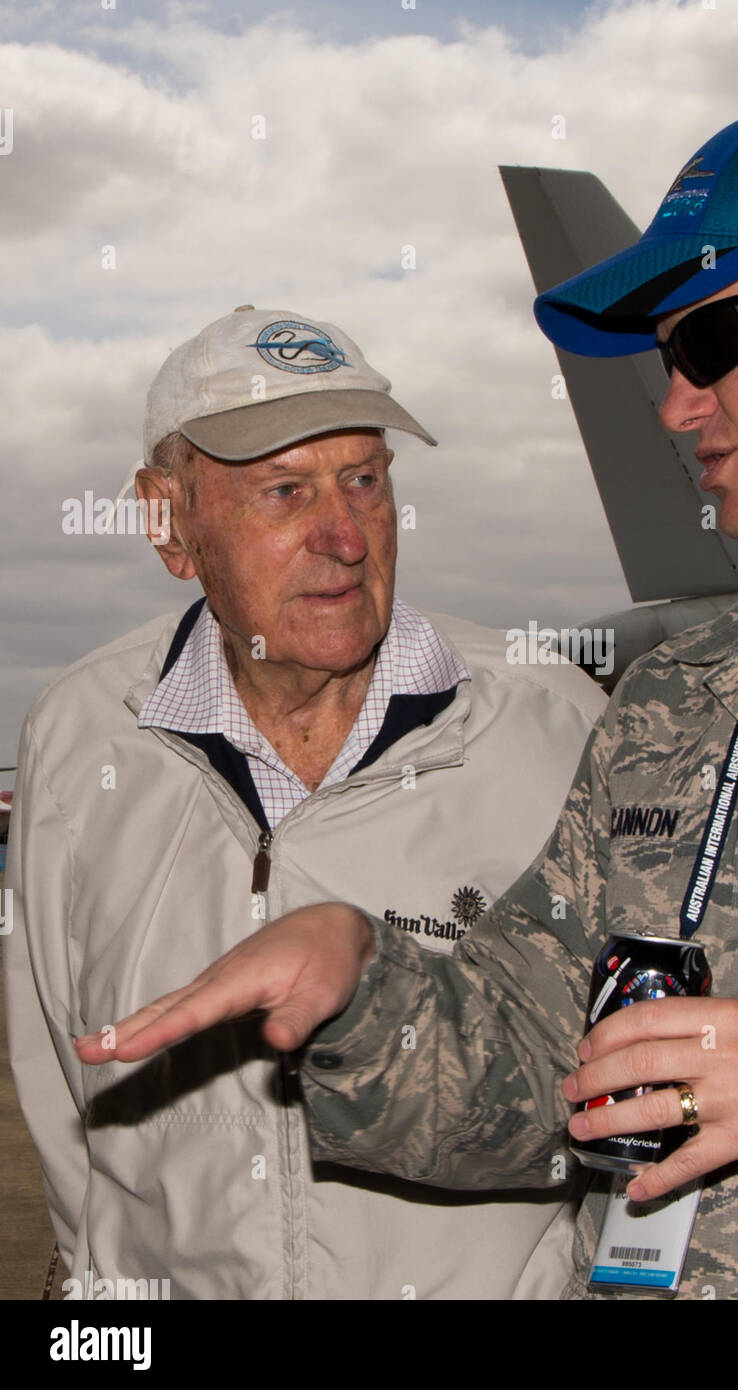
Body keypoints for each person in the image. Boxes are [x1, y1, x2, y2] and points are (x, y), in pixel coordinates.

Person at [77, 92, 738, 1299]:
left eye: (709, 342)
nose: (675, 403)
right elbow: (539, 1066)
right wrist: (366, 990)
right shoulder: (674, 699)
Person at [5, 304, 606, 1299]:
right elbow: (60, 1083)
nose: (343, 535)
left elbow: (630, 1078)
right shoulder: (81, 736)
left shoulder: (549, 724)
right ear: (170, 523)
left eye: (363, 480)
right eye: (285, 490)